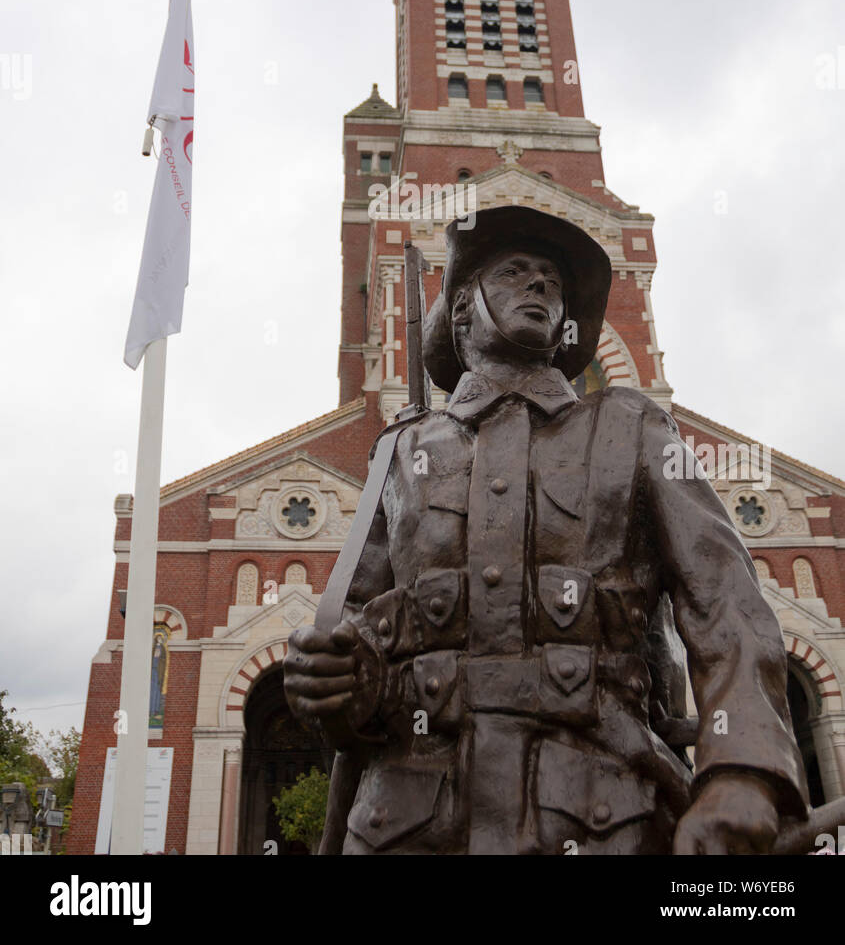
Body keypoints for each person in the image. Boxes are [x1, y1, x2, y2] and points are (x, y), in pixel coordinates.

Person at [285, 206, 807, 854]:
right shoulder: (401, 452)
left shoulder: (631, 427)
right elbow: (356, 636)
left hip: (597, 815)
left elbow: (725, 603)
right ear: (459, 313)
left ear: (565, 326)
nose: (537, 286)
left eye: (552, 283)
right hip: (411, 823)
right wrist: (336, 684)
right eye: (511, 273)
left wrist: (742, 771)